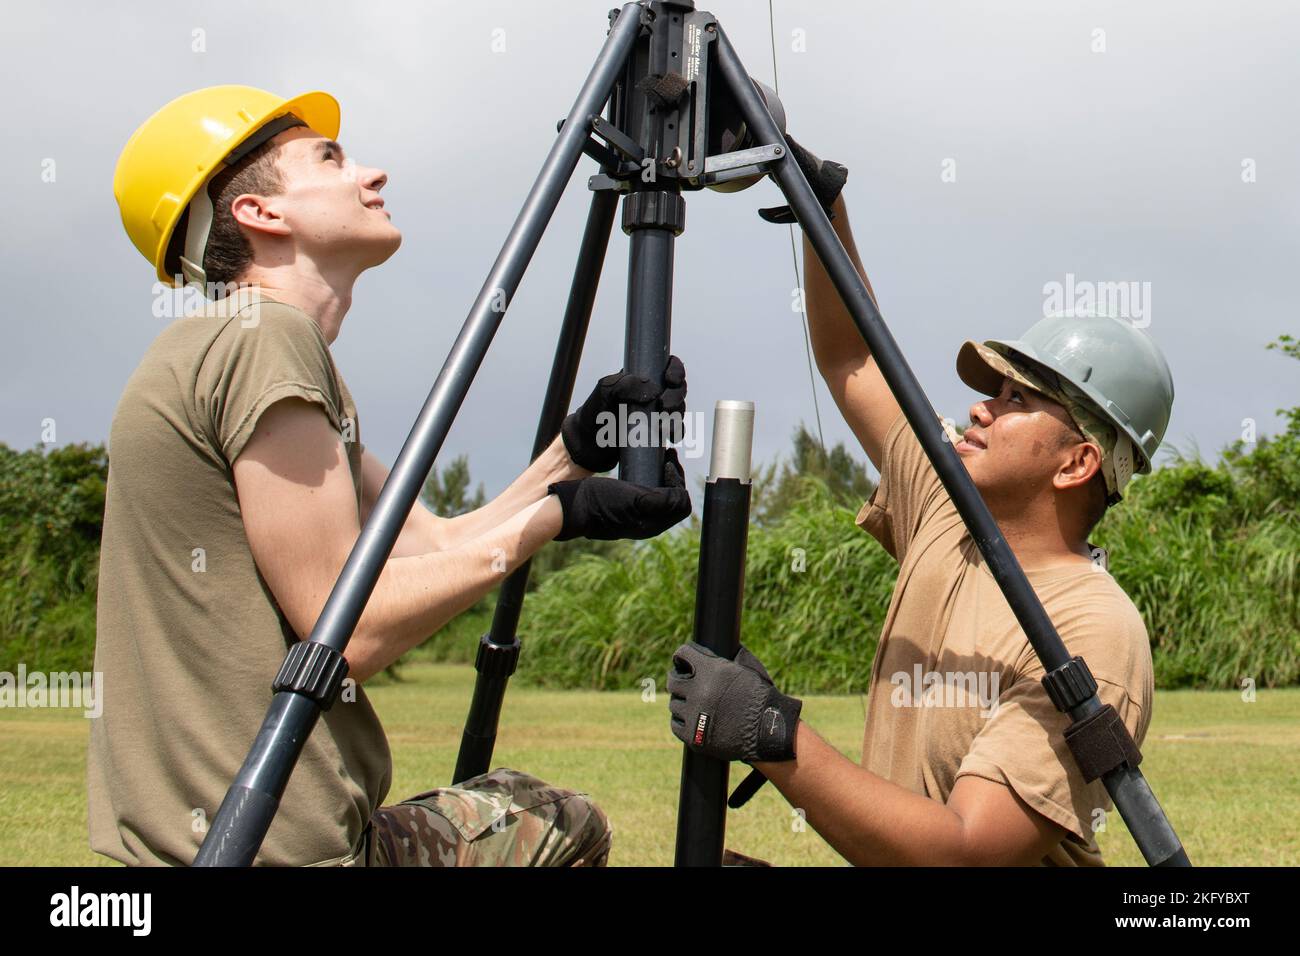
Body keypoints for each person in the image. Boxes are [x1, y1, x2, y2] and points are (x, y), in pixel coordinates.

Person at [95, 85, 690, 866]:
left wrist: (572, 457)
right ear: (260, 214)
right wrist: (554, 519)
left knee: (529, 805)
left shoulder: (227, 344)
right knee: (557, 822)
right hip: (272, 853)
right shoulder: (266, 344)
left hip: (191, 851)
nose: (370, 174)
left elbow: (423, 543)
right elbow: (349, 631)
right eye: (330, 158)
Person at [668, 141, 1174, 866]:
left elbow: (967, 851)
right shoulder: (948, 507)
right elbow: (856, 359)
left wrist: (772, 735)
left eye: (1015, 400)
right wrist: (822, 208)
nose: (979, 410)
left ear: (1079, 462)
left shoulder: (1095, 632)